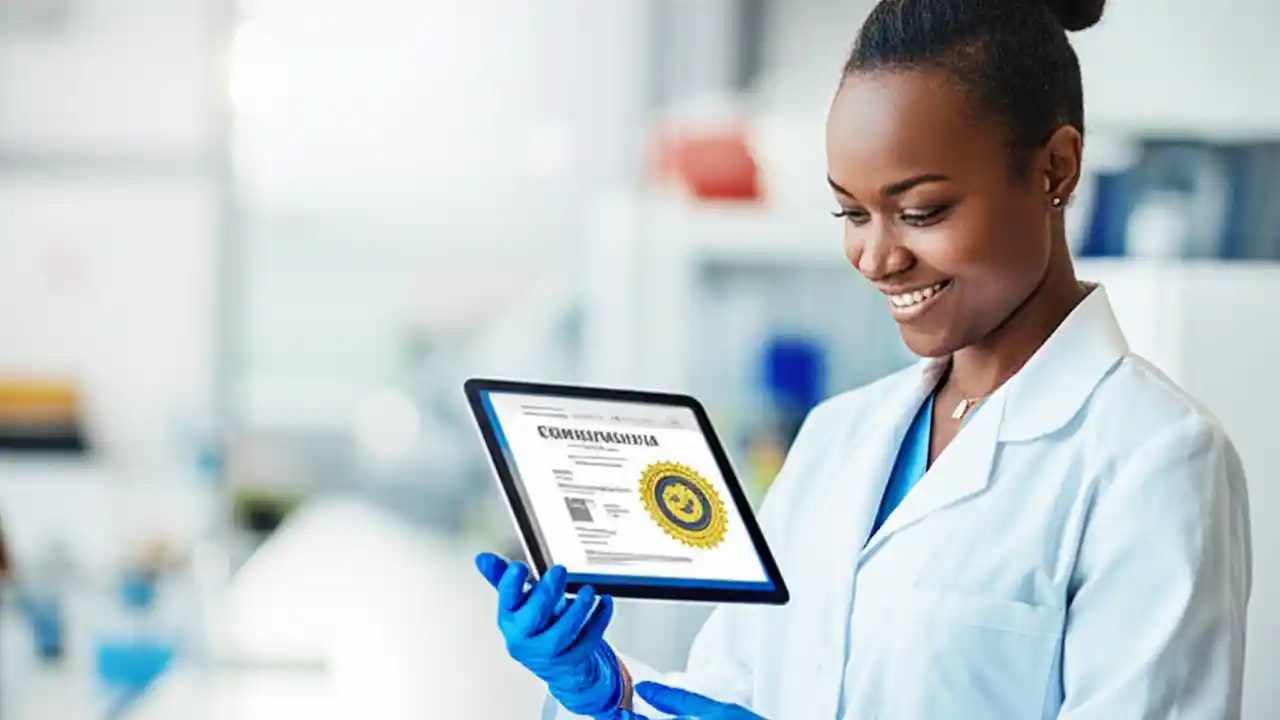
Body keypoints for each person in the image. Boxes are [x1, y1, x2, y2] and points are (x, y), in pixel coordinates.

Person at [475, 0, 1253, 717]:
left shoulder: (1155, 459)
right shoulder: (839, 435)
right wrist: (606, 693)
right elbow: (732, 690)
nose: (876, 258)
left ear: (1056, 168)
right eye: (851, 212)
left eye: (921, 211)